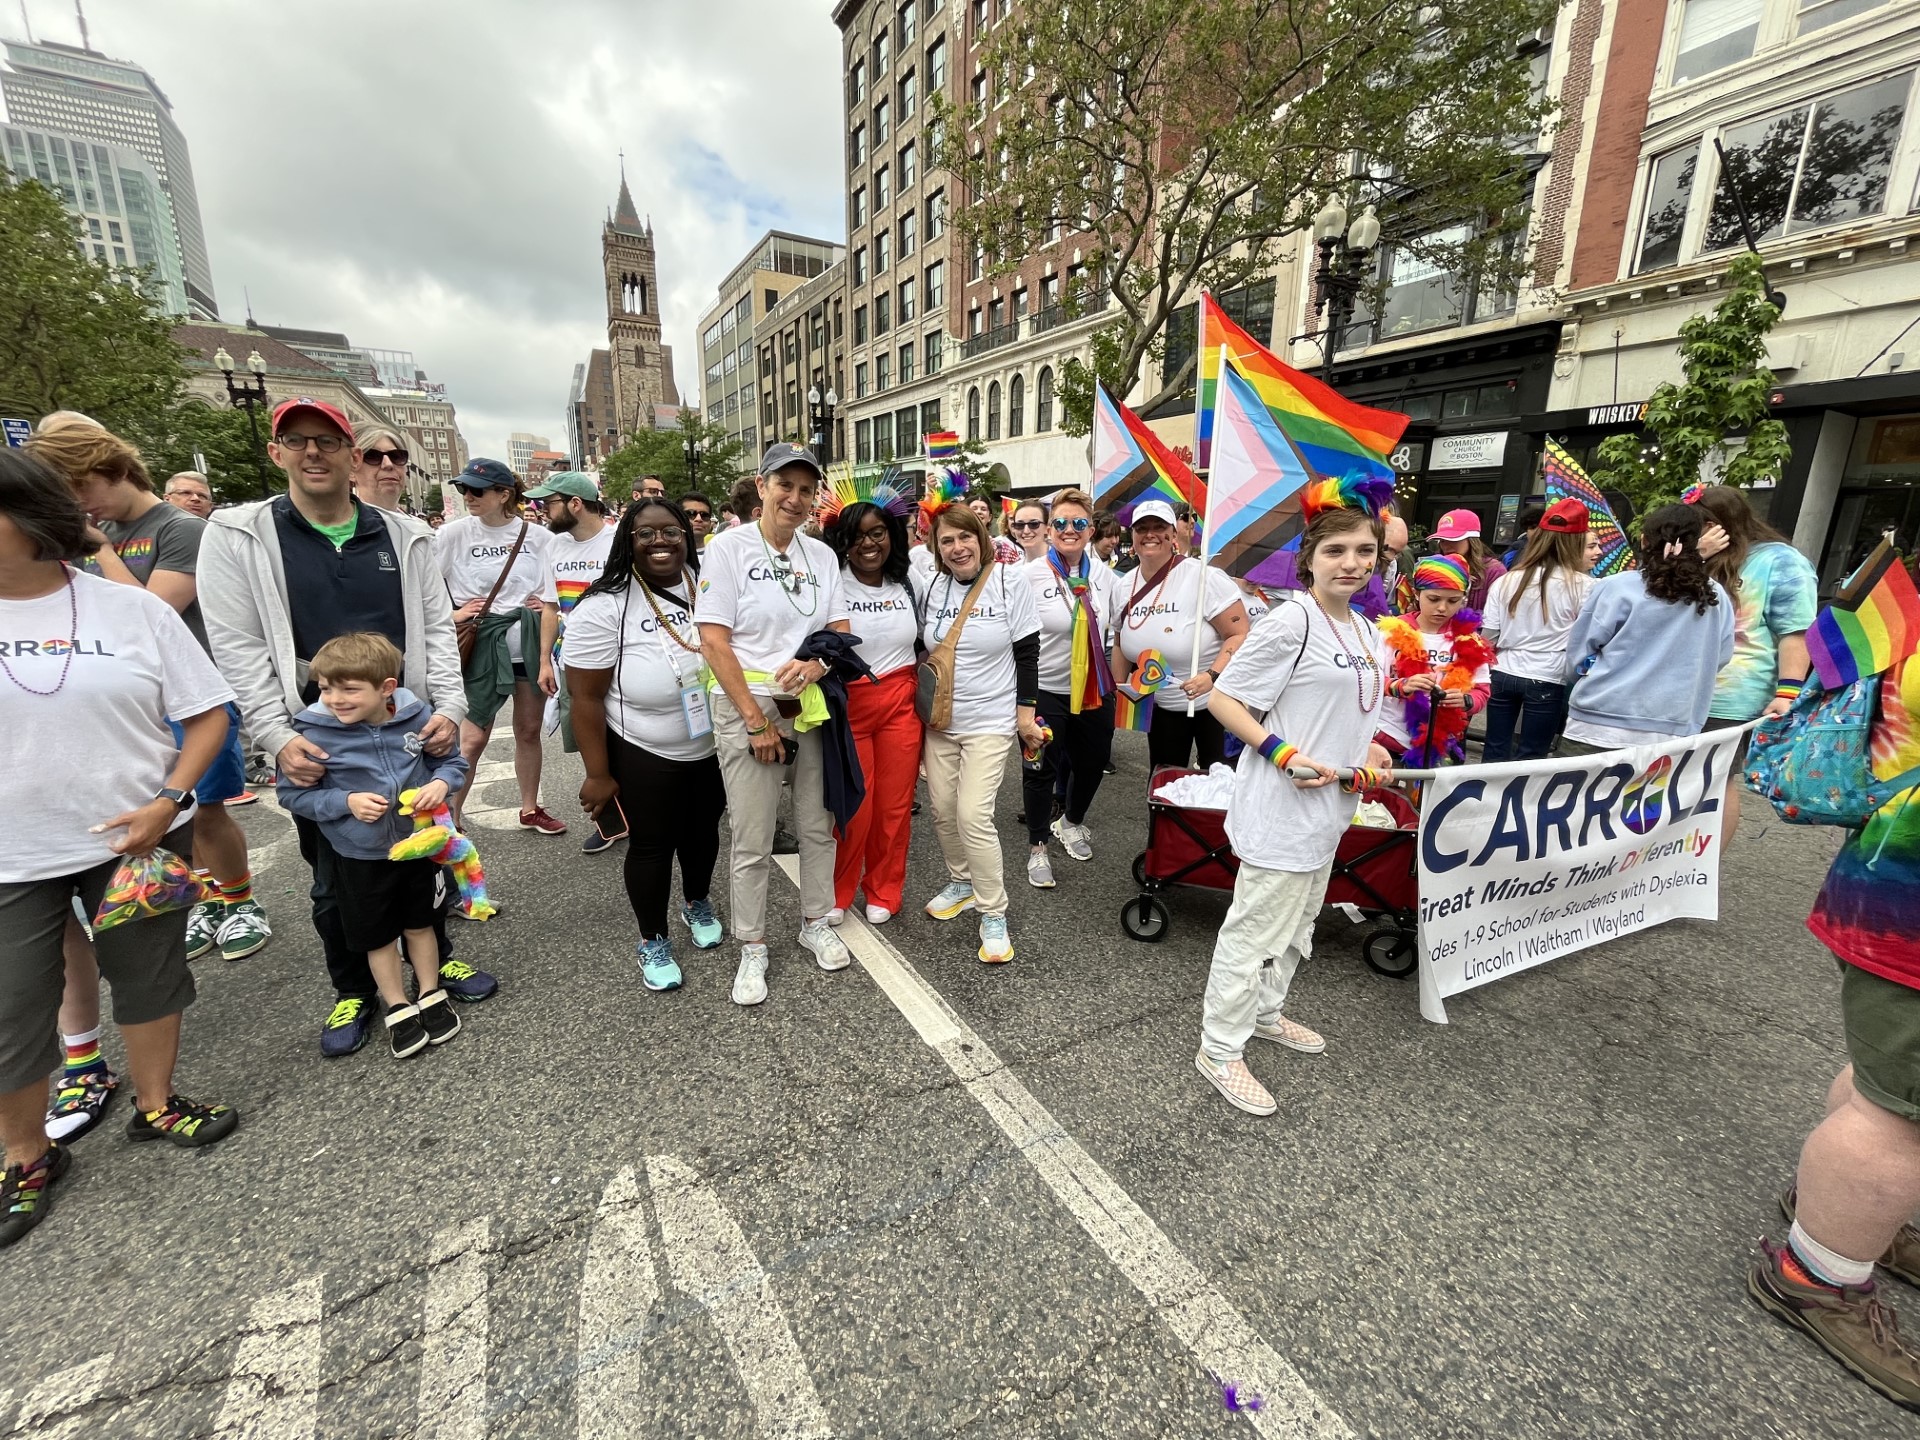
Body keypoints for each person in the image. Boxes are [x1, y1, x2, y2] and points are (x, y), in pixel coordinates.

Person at [201, 398, 491, 1058]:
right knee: (337, 874)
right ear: (276, 453)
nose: (313, 452)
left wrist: (448, 709)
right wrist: (277, 737)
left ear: (349, 455)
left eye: (328, 441)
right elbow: (237, 645)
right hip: (315, 734)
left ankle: (431, 967)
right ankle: (355, 987)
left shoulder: (402, 534)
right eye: (296, 441)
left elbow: (437, 630)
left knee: (421, 857)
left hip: (403, 723)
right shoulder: (240, 535)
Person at [0, 448, 239, 1249]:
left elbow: (207, 711)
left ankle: (156, 1101)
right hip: (11, 852)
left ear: (31, 519)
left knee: (149, 972)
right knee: (12, 1002)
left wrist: (169, 798)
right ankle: (26, 1154)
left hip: (138, 831)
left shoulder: (128, 611)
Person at [1751, 604, 1920, 1406]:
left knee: (1888, 1084)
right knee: (1902, 1110)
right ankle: (1820, 1275)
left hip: (1891, 887)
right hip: (1906, 902)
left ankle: (1846, 1221)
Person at [26, 422, 272, 966]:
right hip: (126, 703)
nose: (76, 503)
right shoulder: (98, 529)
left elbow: (151, 616)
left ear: (112, 470)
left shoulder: (179, 528)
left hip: (191, 696)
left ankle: (241, 902)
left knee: (203, 807)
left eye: (79, 487)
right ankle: (204, 899)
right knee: (164, 819)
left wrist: (104, 551)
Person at [1195, 477, 1395, 1116]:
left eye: (1365, 551)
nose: (1352, 563)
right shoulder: (1290, 622)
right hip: (1282, 808)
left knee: (1301, 921)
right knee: (1255, 929)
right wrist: (1280, 753)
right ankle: (1219, 1048)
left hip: (1330, 810)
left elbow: (1362, 715)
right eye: (1337, 550)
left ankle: (1266, 1014)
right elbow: (1224, 699)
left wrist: (1372, 752)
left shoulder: (1367, 630)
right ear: (1309, 558)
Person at [698, 443, 853, 1005]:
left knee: (816, 823)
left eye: (806, 489)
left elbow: (837, 626)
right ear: (761, 486)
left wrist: (817, 662)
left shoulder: (822, 556)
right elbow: (713, 640)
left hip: (810, 704)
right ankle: (754, 946)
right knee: (754, 835)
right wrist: (755, 723)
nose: (795, 498)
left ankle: (815, 922)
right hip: (750, 706)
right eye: (784, 485)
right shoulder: (728, 548)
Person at [278, 634, 471, 1058]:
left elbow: (453, 762)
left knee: (422, 923)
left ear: (386, 687)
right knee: (376, 935)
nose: (334, 699)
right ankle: (397, 1005)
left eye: (349, 689)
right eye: (326, 688)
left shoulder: (417, 717)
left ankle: (430, 991)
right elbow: (291, 796)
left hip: (419, 848)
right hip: (358, 856)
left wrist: (440, 784)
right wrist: (344, 802)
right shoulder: (310, 733)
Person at [568, 499, 726, 989]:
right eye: (647, 534)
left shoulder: (711, 588)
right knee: (653, 846)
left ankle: (696, 902)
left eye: (672, 532)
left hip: (712, 744)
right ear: (628, 543)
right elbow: (585, 698)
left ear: (687, 536)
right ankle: (652, 938)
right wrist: (598, 774)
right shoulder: (605, 605)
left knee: (702, 833)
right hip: (643, 748)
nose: (661, 542)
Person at [919, 503, 1043, 963]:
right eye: (946, 541)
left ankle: (994, 912)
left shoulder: (1011, 582)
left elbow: (1028, 654)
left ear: (982, 537)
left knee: (973, 815)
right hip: (941, 723)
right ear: (937, 548)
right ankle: (962, 882)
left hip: (989, 724)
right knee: (942, 809)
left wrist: (1025, 716)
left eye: (964, 537)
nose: (957, 548)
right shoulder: (933, 586)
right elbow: (923, 649)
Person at [436, 458, 566, 839]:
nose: (468, 497)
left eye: (476, 490)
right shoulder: (452, 534)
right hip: (479, 644)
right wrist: (454, 613)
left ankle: (530, 808)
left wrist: (547, 610)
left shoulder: (540, 537)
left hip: (525, 643)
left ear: (504, 494)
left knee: (528, 729)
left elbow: (552, 592)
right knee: (472, 738)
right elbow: (424, 589)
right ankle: (452, 819)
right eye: (464, 490)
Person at [1694, 485, 1817, 843]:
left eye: (1700, 524)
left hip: (1732, 697)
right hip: (1678, 691)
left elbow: (1796, 631)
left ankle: (1702, 874)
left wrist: (1788, 691)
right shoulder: (1700, 554)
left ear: (1724, 522)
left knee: (1715, 782)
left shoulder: (1779, 560)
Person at [1560, 504, 1735, 754]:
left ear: (1644, 541)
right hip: (1673, 724)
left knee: (1578, 793)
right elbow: (1721, 656)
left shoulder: (1615, 587)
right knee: (1646, 795)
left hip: (1598, 719)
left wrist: (1584, 674)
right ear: (1696, 543)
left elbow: (1580, 652)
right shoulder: (1714, 596)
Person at [824, 493, 923, 925]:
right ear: (844, 541)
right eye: (858, 535)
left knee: (894, 807)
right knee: (853, 808)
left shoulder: (908, 581)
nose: (869, 543)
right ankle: (837, 892)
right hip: (851, 704)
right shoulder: (833, 583)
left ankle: (884, 888)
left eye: (878, 533)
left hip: (902, 703)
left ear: (891, 536)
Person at [1017, 488, 1119, 888]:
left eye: (1078, 523)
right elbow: (1017, 641)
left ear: (1091, 530)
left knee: (1092, 764)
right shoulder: (1029, 576)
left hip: (1095, 691)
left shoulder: (1107, 579)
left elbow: (1119, 632)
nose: (1069, 529)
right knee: (1040, 769)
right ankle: (1037, 845)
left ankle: (1071, 822)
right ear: (1048, 529)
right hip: (1046, 690)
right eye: (1060, 523)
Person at [1112, 499, 1250, 770]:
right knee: (1164, 784)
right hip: (1163, 706)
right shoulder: (1123, 587)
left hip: (1215, 704)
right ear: (1133, 537)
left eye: (1159, 527)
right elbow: (1119, 642)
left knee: (1219, 786)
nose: (1150, 534)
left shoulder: (1204, 577)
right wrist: (1119, 689)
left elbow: (1239, 633)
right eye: (1142, 528)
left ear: (1173, 534)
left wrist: (1211, 676)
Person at [524, 471, 619, 853]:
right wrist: (545, 661)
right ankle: (612, 819)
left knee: (626, 736)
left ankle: (632, 811)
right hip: (573, 662)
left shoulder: (618, 540)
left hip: (619, 658)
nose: (542, 510)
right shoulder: (555, 547)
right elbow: (550, 606)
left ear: (575, 504)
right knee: (587, 737)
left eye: (549, 503)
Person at [1480, 498, 1600, 761]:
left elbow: (1488, 637)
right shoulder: (1585, 586)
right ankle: (1518, 802)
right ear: (1576, 544)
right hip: (1549, 675)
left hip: (1503, 671)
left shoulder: (1507, 580)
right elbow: (1589, 640)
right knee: (1532, 756)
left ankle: (1484, 801)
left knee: (1494, 749)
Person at [1376, 555, 1493, 767]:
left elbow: (1482, 691)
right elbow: (1368, 681)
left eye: (1453, 601)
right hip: (1388, 737)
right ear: (1417, 593)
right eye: (1434, 599)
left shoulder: (1469, 641)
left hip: (1439, 744)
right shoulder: (1390, 633)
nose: (1442, 608)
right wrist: (1400, 686)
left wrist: (1466, 701)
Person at [1430, 508, 1508, 614]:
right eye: (1443, 540)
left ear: (1472, 540)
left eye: (1454, 539)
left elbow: (1498, 614)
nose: (1446, 546)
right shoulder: (1436, 567)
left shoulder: (1494, 570)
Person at [351, 428, 412, 512]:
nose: (388, 464)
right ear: (350, 472)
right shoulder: (343, 523)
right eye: (373, 456)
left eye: (396, 456)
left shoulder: (420, 525)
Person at [966, 490, 1024, 566]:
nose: (979, 512)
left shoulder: (1002, 548)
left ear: (989, 517)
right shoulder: (957, 544)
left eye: (983, 509)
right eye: (974, 508)